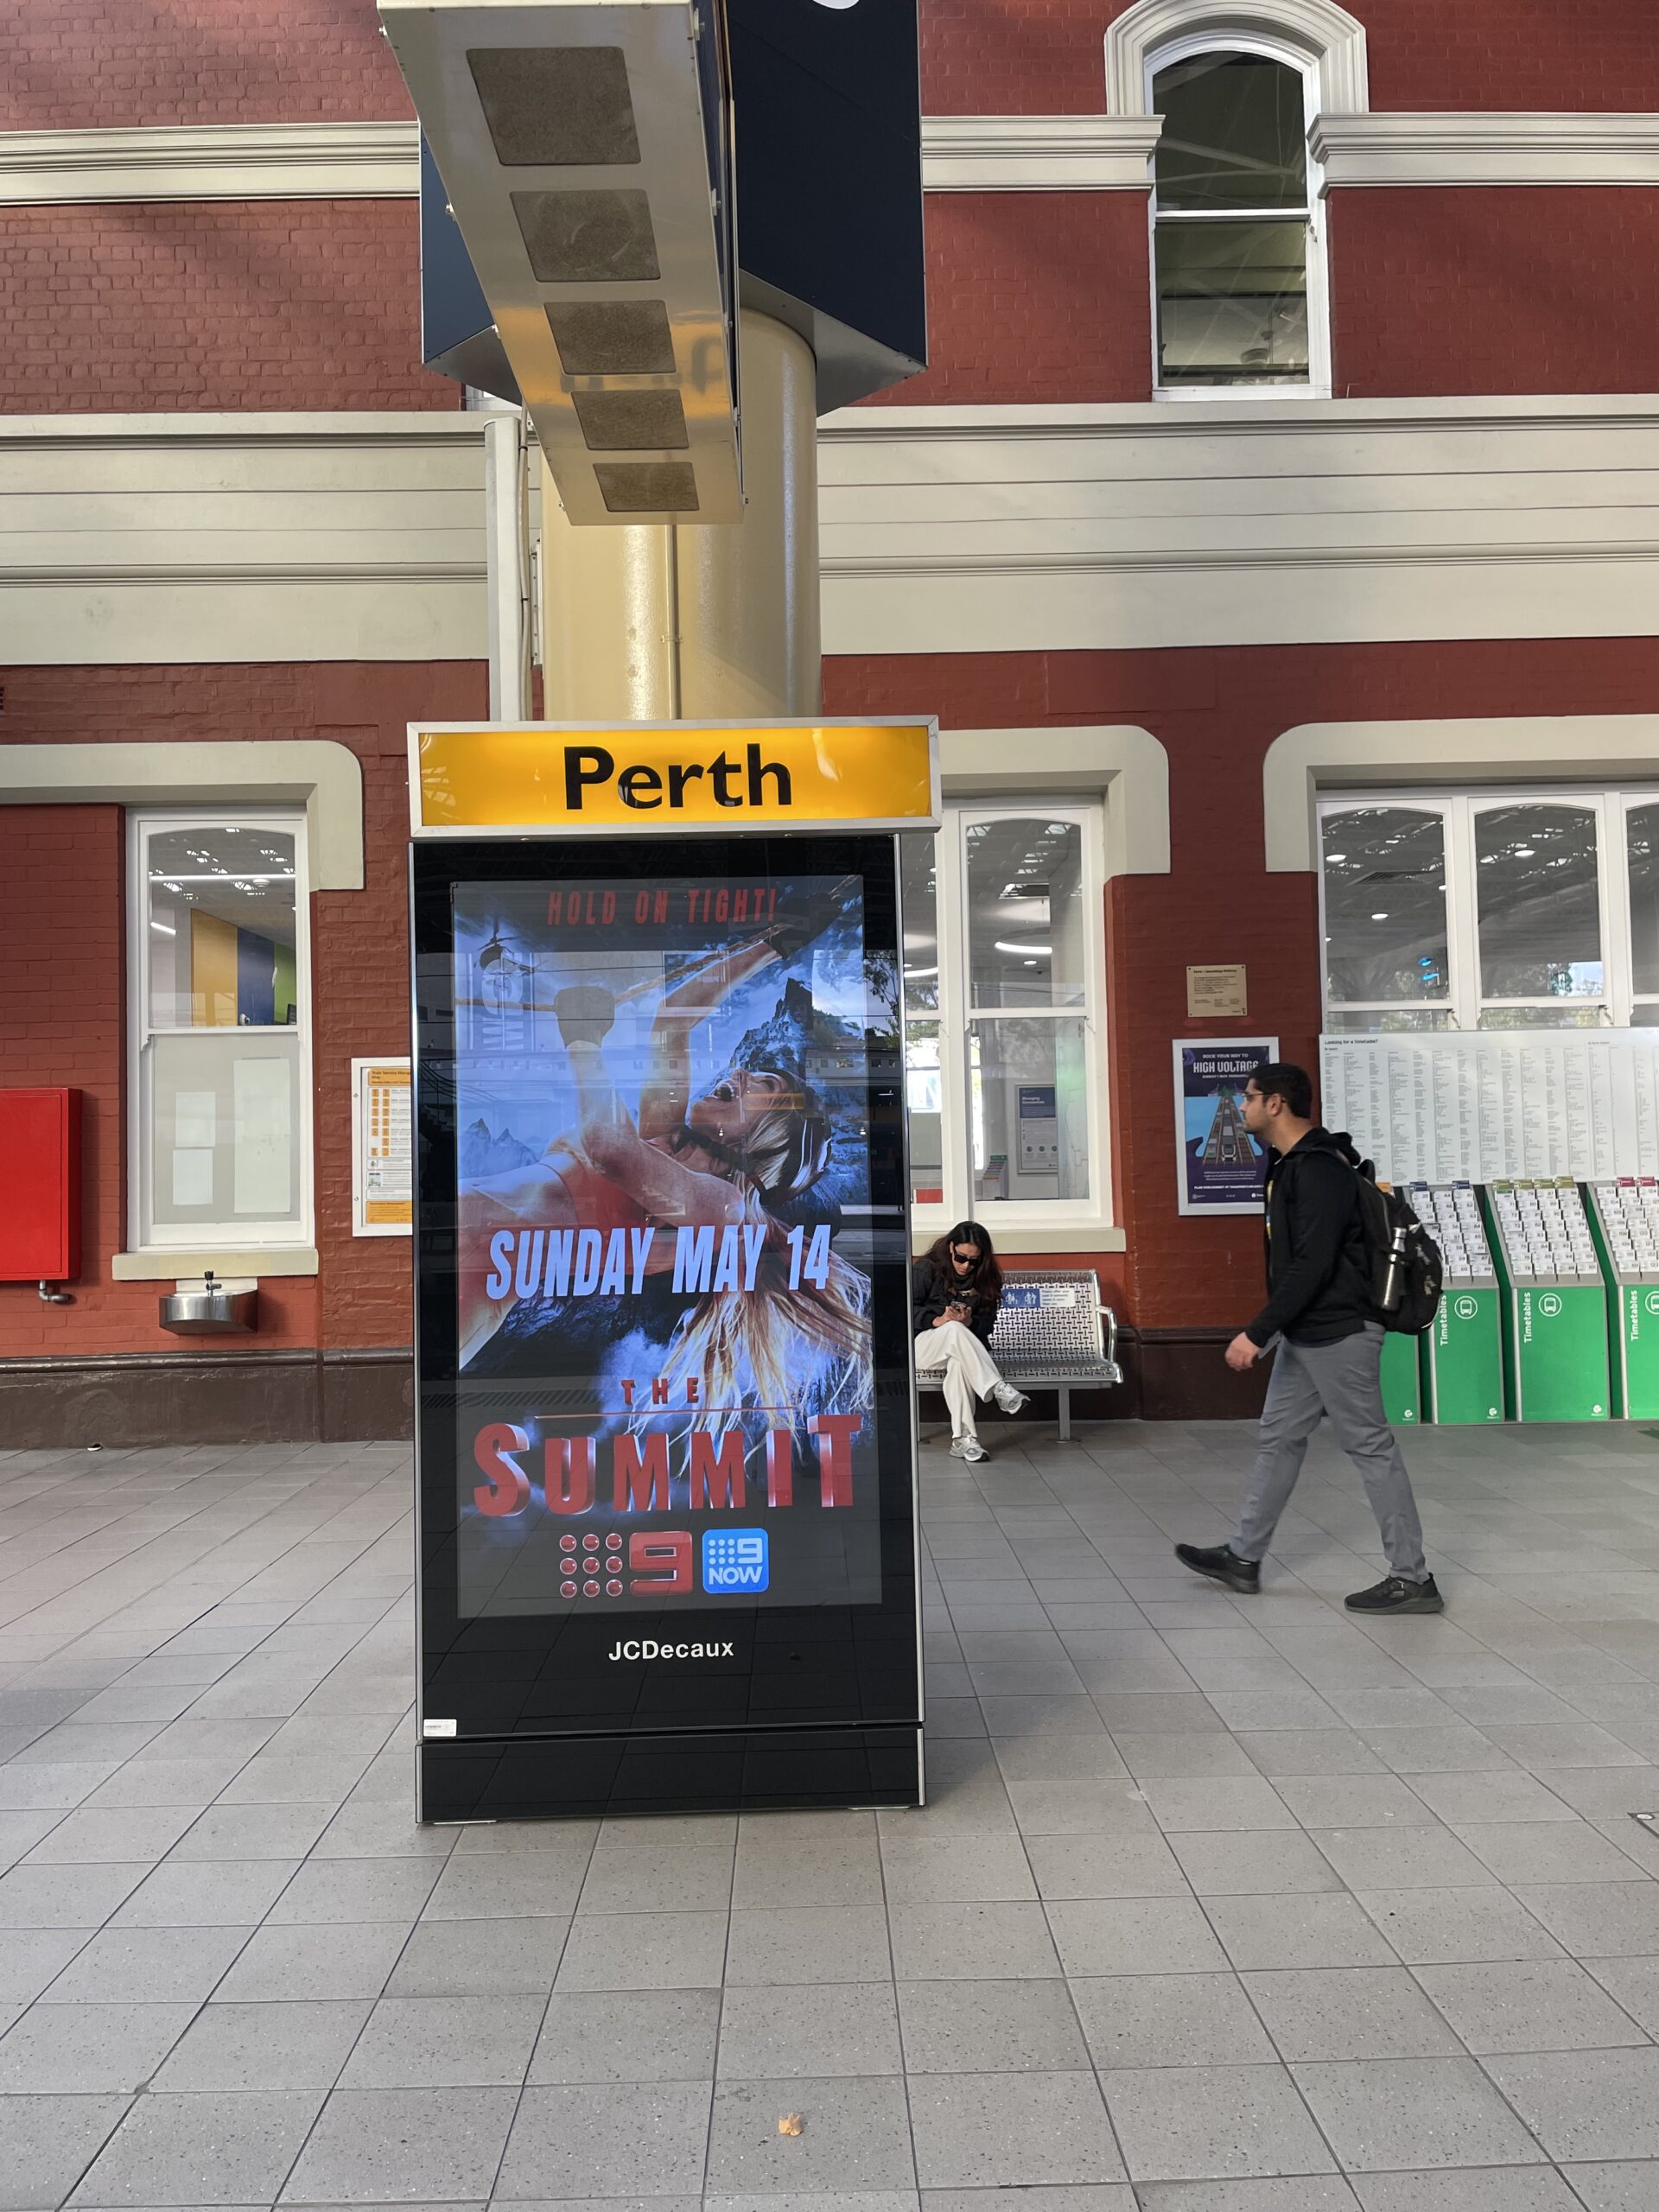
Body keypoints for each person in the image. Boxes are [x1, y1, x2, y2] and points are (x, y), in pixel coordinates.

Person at [1174, 1062, 1442, 1614]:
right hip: (1310, 1332)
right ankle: (1244, 1558)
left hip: (1341, 1331)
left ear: (1276, 1104)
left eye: (1248, 1098)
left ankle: (1413, 1579)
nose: (1241, 1107)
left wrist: (1257, 1332)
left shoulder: (1318, 1169)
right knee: (1277, 1438)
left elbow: (1313, 1262)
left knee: (1369, 1446)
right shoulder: (1288, 1165)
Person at [912, 1222, 1028, 1464]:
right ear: (951, 1247)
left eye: (973, 1261)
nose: (965, 1265)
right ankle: (998, 1388)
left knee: (959, 1364)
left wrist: (970, 1322)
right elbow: (903, 1310)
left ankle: (964, 1440)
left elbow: (987, 1325)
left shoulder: (987, 1279)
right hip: (924, 1345)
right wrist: (937, 1320)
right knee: (952, 1328)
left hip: (964, 1352)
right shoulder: (927, 1268)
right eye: (961, 1257)